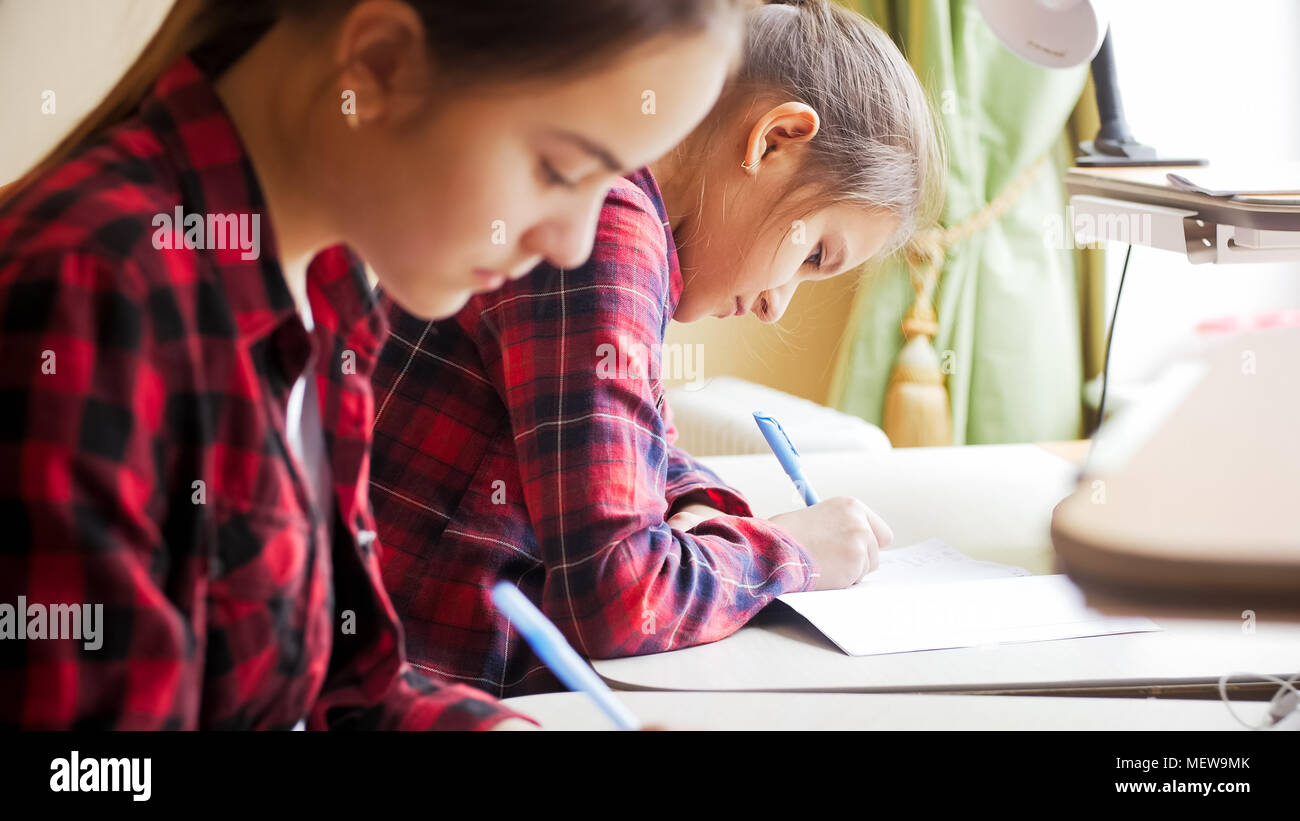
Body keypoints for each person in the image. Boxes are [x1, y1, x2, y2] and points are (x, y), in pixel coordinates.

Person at [0, 0, 743, 729]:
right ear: (382, 65)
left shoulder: (329, 292)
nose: (575, 246)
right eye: (560, 169)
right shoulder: (96, 295)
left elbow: (333, 683)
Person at [368, 0, 946, 697]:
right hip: (430, 688)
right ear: (774, 139)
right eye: (813, 252)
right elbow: (619, 596)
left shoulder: (616, 212)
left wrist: (707, 512)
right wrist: (792, 551)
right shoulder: (606, 233)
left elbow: (651, 449)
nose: (774, 305)